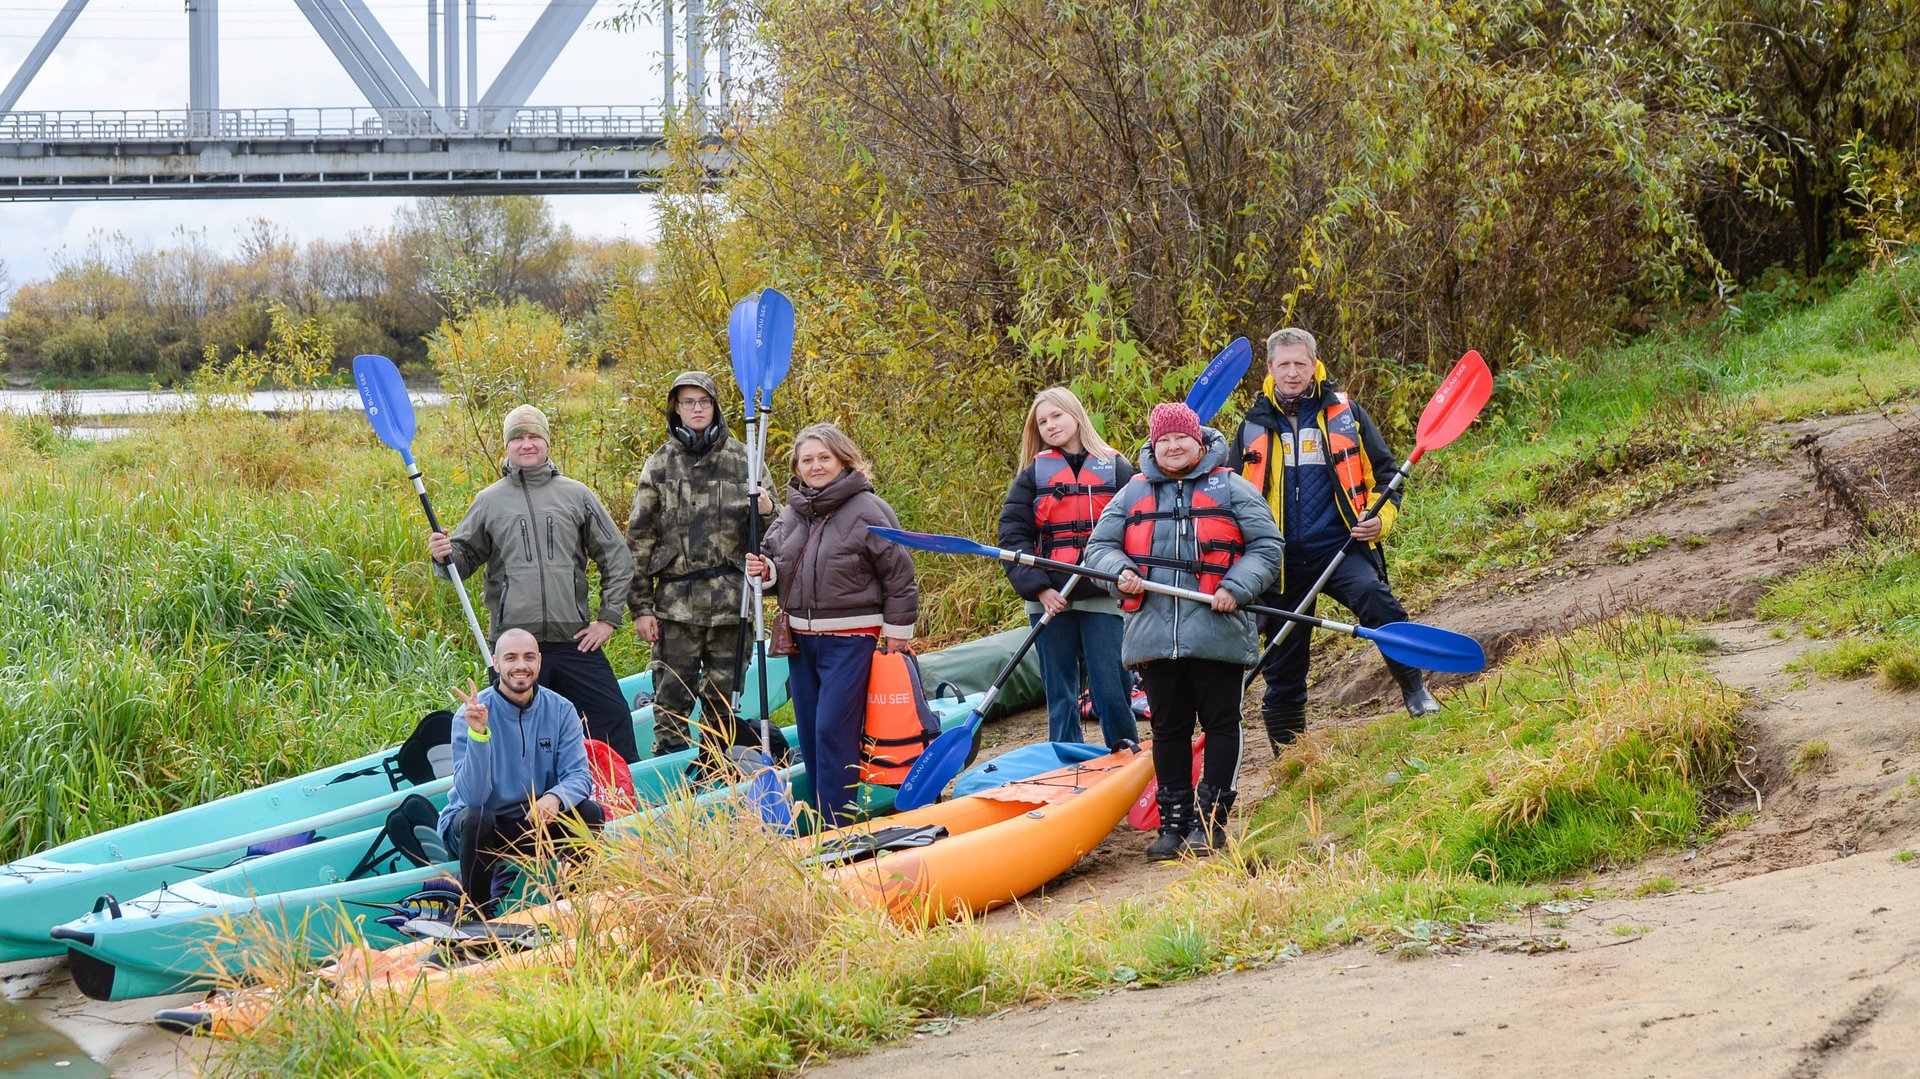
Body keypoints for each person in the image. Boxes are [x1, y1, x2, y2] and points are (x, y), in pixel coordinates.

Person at [1228, 327, 1440, 753]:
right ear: (1269, 369)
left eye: (1299, 364)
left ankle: (1416, 691)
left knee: (1379, 604)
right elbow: (1229, 496)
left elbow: (1388, 476)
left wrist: (1381, 522)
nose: (1292, 372)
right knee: (1284, 663)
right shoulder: (1251, 427)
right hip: (1279, 562)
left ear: (1314, 364)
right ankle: (1290, 756)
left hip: (1340, 548)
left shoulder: (1345, 413)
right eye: (1283, 365)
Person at [1084, 402, 1282, 860]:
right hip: (1153, 633)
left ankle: (1212, 823)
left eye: (1181, 438)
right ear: (1154, 445)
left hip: (1219, 630)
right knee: (1169, 729)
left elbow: (1268, 547)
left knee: (1220, 723)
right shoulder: (1132, 494)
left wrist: (1237, 585)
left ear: (1198, 441)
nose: (1173, 447)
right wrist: (1119, 572)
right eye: (1164, 440)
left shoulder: (1232, 487)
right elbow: (1099, 550)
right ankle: (1174, 823)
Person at [426, 404, 641, 763]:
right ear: (507, 446)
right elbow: (459, 565)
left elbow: (617, 557)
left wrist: (608, 619)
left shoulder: (577, 495)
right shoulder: (488, 501)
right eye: (518, 438)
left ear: (546, 442)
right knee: (515, 734)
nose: (527, 444)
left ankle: (624, 796)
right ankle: (524, 806)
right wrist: (441, 556)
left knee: (612, 717)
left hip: (573, 642)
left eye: (534, 436)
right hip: (514, 649)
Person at [745, 423, 918, 829]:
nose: (816, 466)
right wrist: (763, 570)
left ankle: (838, 828)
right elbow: (773, 565)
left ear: (844, 460)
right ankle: (826, 824)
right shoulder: (791, 513)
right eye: (808, 460)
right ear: (796, 467)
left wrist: (898, 632)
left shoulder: (868, 510)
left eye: (824, 458)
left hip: (851, 640)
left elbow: (899, 574)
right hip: (801, 642)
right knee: (809, 734)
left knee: (831, 733)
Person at [626, 372, 767, 761]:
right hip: (675, 608)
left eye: (704, 401)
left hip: (732, 607)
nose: (697, 408)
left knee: (723, 706)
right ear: (676, 409)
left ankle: (717, 772)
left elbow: (776, 532)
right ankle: (669, 781)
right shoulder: (659, 465)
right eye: (688, 402)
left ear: (715, 406)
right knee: (670, 704)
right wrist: (640, 607)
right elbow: (639, 539)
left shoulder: (746, 459)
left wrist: (769, 510)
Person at [996, 387, 1139, 748]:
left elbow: (1140, 526)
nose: (1050, 425)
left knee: (1112, 688)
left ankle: (1124, 755)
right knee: (1060, 694)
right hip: (1049, 597)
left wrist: (1126, 573)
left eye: (1056, 415)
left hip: (1103, 593)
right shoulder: (1033, 476)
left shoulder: (1117, 468)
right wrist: (1039, 589)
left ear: (1076, 415)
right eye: (1042, 421)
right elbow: (1012, 536)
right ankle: (1065, 758)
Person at [439, 628, 606, 917]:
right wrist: (479, 735)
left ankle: (571, 904)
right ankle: (479, 917)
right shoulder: (470, 714)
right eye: (511, 658)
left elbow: (580, 775)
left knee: (590, 812)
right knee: (479, 818)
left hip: (534, 822)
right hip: (479, 830)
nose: (521, 665)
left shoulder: (561, 709)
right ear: (496, 663)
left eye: (529, 657)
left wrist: (554, 798)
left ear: (539, 662)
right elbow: (473, 797)